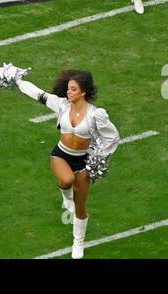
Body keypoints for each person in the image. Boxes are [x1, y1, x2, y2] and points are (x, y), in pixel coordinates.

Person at [14, 69, 119, 259]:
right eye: (68, 89)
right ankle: (65, 196)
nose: (68, 92)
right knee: (66, 180)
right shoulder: (62, 105)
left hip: (83, 160)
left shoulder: (96, 115)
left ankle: (78, 242)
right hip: (61, 154)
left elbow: (112, 137)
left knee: (81, 204)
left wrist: (99, 156)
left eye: (73, 89)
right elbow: (39, 94)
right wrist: (17, 80)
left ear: (83, 92)